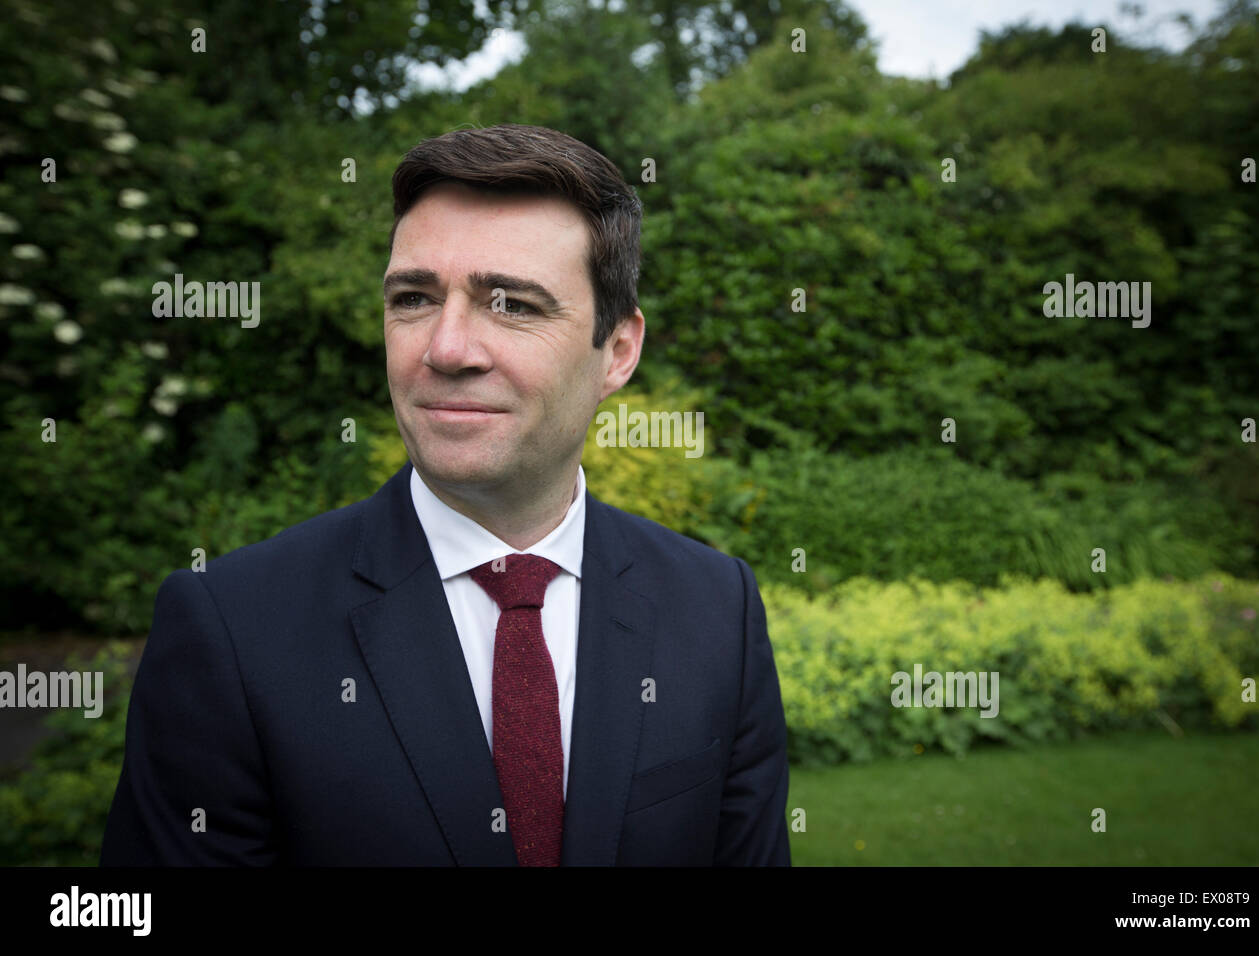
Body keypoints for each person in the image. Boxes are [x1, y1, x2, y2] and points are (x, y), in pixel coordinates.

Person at [100, 123, 791, 866]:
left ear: (617, 351)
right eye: (414, 298)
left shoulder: (718, 607)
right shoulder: (230, 630)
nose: (447, 348)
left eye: (513, 305)